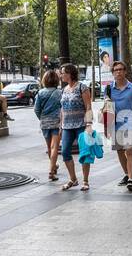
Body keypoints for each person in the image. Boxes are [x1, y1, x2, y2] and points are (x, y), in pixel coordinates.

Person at [106, 60, 132, 191]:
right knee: (120, 151)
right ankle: (126, 174)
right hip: (115, 124)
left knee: (129, 151)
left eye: (121, 69)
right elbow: (108, 107)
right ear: (113, 73)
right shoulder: (109, 89)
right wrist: (107, 126)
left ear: (125, 71)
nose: (118, 72)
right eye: (116, 70)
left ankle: (131, 179)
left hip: (129, 124)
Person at [57, 63, 93, 192]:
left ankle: (85, 181)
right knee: (65, 151)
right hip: (67, 126)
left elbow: (88, 106)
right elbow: (62, 108)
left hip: (81, 125)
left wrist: (88, 124)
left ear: (70, 73)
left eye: (63, 72)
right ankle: (73, 179)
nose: (61, 75)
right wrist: (60, 125)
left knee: (84, 152)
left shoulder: (82, 87)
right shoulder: (64, 89)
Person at [34, 69, 63, 181]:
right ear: (56, 80)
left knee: (49, 147)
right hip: (56, 122)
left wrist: (42, 118)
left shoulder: (40, 93)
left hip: (44, 123)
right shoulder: (59, 93)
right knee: (55, 146)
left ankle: (53, 166)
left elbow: (36, 109)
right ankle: (51, 171)